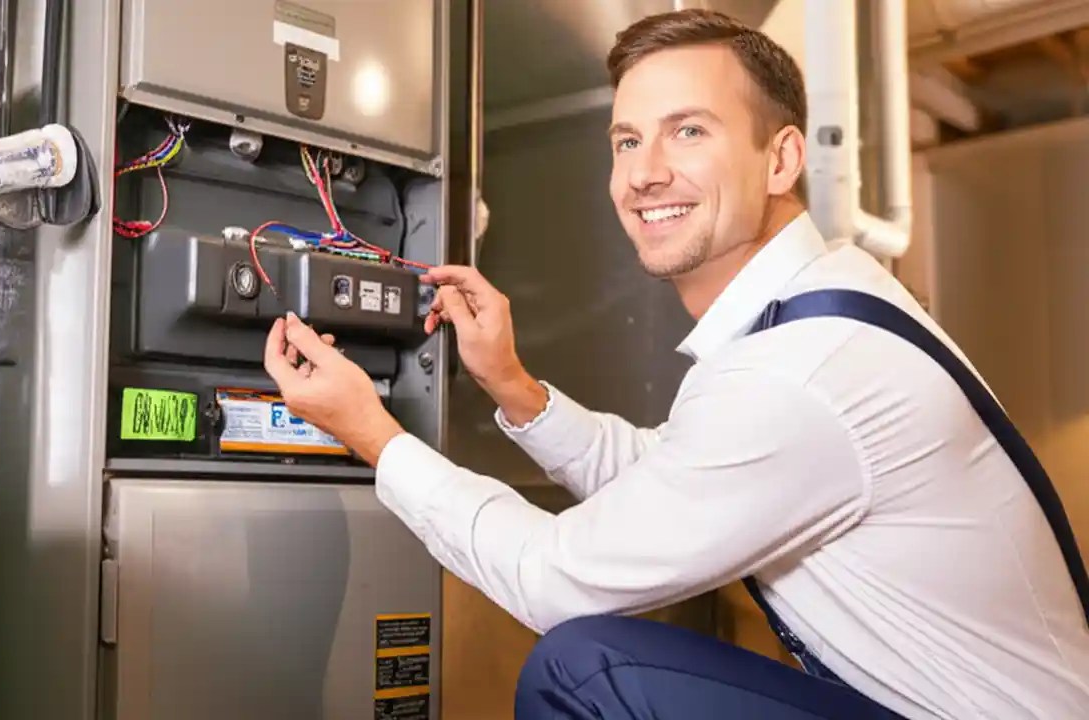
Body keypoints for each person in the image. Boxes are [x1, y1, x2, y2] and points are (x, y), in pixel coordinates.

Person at [263, 9, 1089, 720]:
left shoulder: (798, 373)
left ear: (781, 158)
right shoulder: (811, 311)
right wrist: (514, 389)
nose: (644, 171)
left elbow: (554, 582)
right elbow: (673, 477)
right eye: (628, 139)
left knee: (584, 666)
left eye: (689, 130)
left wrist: (374, 434)